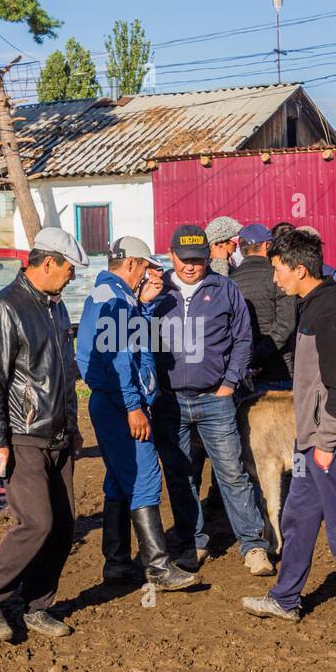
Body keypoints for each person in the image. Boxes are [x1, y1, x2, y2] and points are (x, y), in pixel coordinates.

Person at [240, 229, 336, 644]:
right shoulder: (312, 307)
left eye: (278, 270)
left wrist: (325, 443)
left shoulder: (330, 316)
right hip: (310, 440)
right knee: (299, 516)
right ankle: (286, 597)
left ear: (300, 269)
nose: (275, 278)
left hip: (331, 444)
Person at [0, 228, 86, 641]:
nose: (72, 276)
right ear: (49, 262)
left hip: (56, 431)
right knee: (37, 522)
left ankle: (38, 606)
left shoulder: (54, 307)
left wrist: (71, 426)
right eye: (70, 268)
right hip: (23, 432)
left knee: (63, 525)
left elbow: (64, 376)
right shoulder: (7, 308)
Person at [150, 224, 274, 576]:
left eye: (199, 259)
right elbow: (139, 338)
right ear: (171, 255)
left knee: (232, 472)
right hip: (170, 402)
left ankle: (253, 545)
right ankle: (194, 542)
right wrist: (154, 386)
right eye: (185, 259)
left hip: (214, 398)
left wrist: (230, 382)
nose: (191, 266)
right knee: (181, 474)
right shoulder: (158, 293)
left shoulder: (226, 289)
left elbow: (242, 339)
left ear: (209, 257)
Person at [76, 236, 197, 590]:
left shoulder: (108, 296)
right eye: (145, 266)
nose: (148, 274)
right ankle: (158, 566)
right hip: (119, 402)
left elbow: (119, 346)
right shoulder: (115, 301)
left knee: (118, 478)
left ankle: (116, 562)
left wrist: (143, 307)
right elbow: (119, 357)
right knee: (145, 477)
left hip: (106, 399)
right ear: (131, 264)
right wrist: (133, 405)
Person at [230, 223, 297, 391]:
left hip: (245, 372)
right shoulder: (277, 276)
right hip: (279, 371)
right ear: (267, 246)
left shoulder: (230, 281)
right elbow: (286, 324)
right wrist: (258, 357)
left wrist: (249, 360)